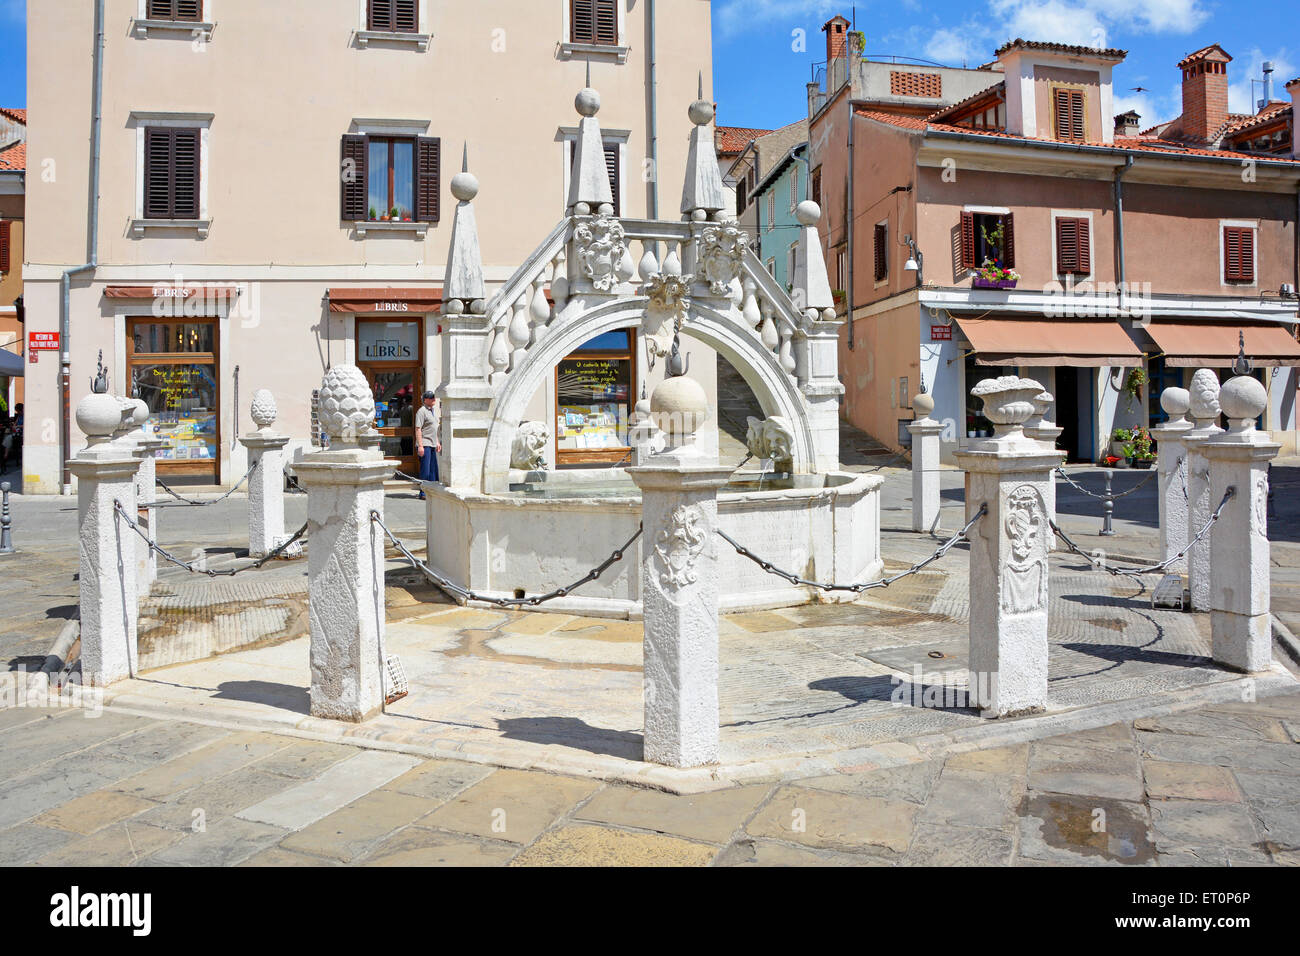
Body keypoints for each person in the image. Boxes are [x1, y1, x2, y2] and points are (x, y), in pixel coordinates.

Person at [414, 389, 441, 499]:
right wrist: (420, 446)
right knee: (425, 469)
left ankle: (433, 491)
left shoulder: (432, 411)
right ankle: (423, 492)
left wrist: (437, 442)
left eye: (434, 397)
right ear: (425, 400)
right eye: (431, 397)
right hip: (425, 443)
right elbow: (418, 429)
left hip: (432, 444)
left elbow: (434, 429)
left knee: (433, 469)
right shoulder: (422, 411)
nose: (434, 399)